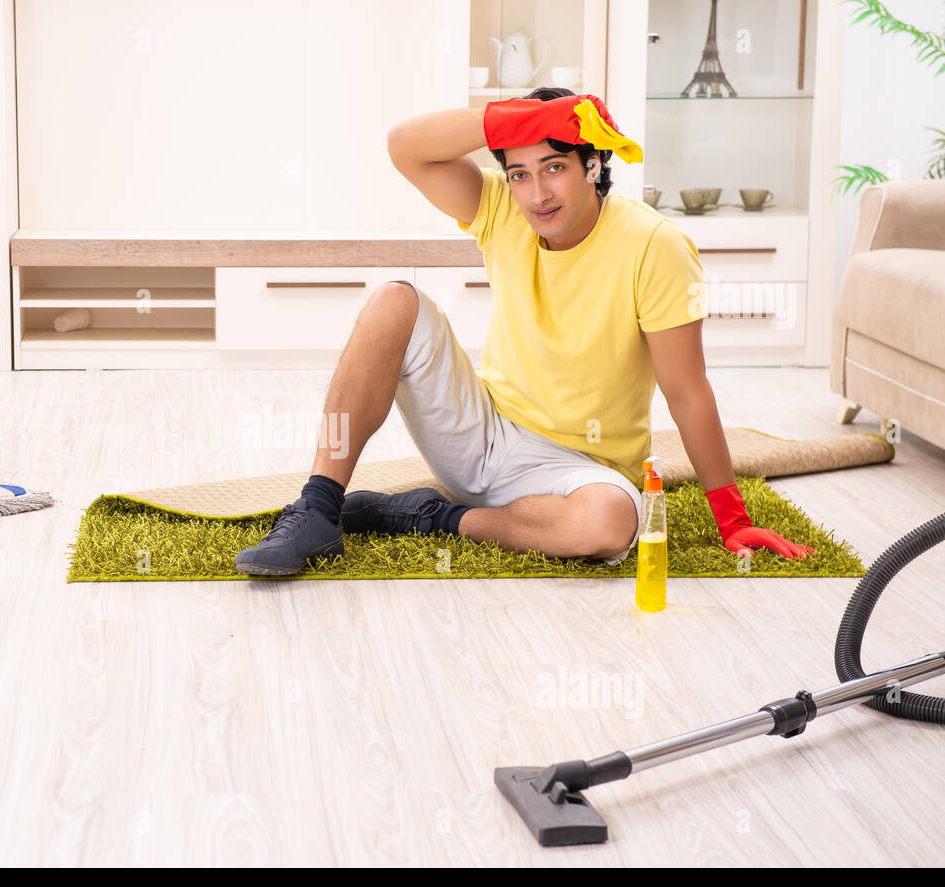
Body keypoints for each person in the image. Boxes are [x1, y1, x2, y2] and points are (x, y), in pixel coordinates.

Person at [235, 87, 814, 576]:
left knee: (612, 523)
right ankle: (317, 509)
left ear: (592, 165)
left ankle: (425, 515)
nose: (537, 194)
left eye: (555, 167)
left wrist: (733, 518)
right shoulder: (500, 208)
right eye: (519, 173)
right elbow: (404, 147)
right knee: (393, 301)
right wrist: (510, 120)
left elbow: (687, 391)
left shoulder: (654, 246)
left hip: (578, 470)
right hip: (482, 434)